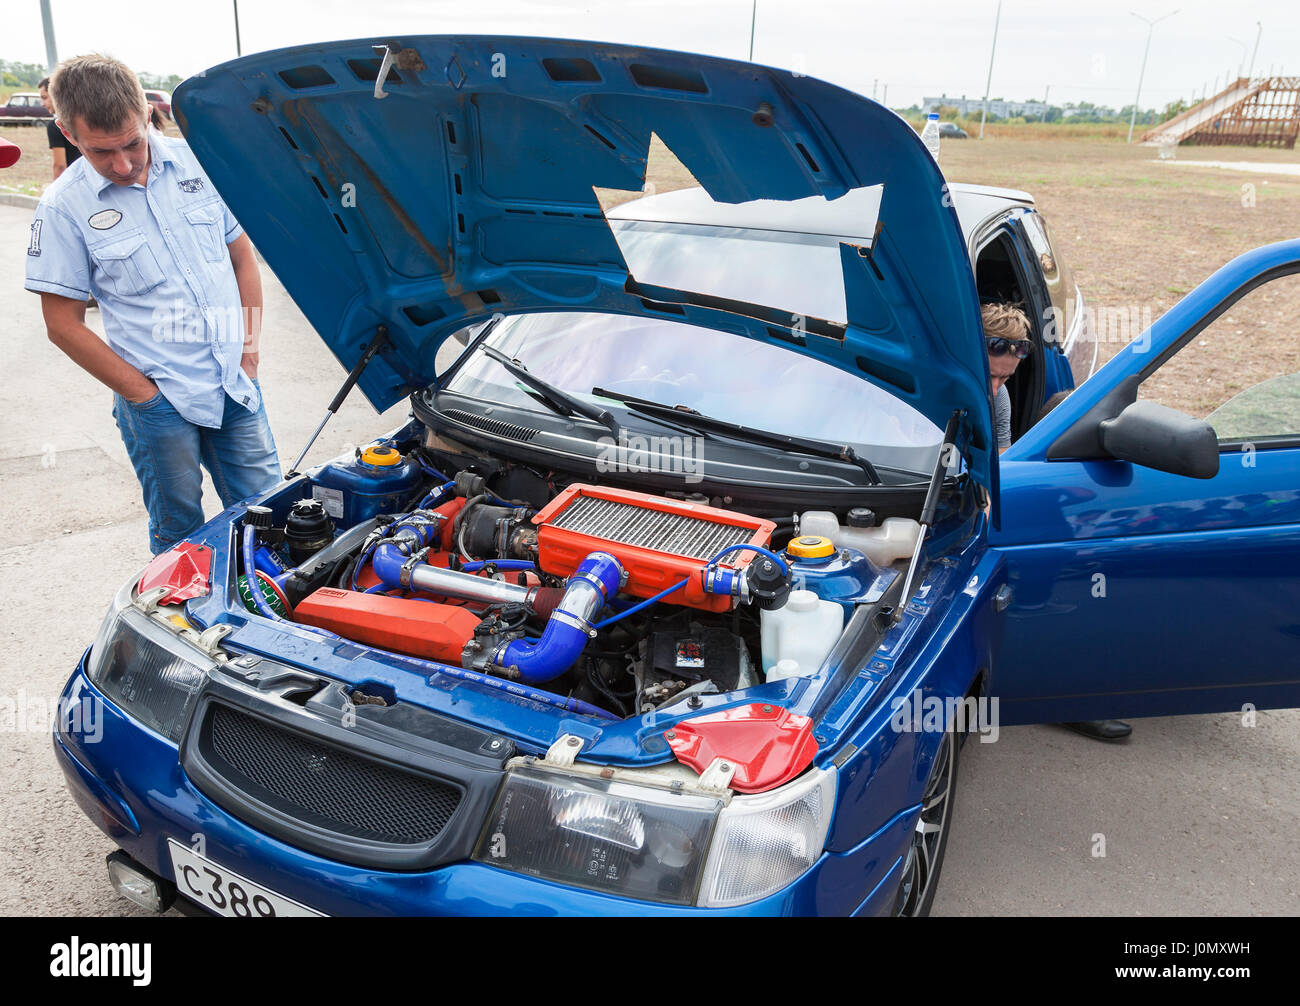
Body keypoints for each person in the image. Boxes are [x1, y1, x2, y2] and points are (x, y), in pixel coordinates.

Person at [24, 54, 281, 555]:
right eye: (101, 153)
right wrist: (142, 395)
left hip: (234, 382)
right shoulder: (62, 207)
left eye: (132, 143)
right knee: (180, 535)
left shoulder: (200, 162)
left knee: (270, 516)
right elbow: (62, 324)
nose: (123, 164)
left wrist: (248, 354)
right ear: (65, 131)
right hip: (158, 400)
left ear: (145, 113)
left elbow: (242, 262)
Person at [982, 313, 1133, 743]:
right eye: (991, 376)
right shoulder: (939, 389)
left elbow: (1004, 467)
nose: (996, 388)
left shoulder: (1000, 399)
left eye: (1005, 379)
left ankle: (1062, 691)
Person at [38, 76, 82, 180]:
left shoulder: (55, 125)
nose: (42, 104)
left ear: (55, 95)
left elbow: (60, 166)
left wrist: (54, 192)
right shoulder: (84, 119)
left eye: (44, 97)